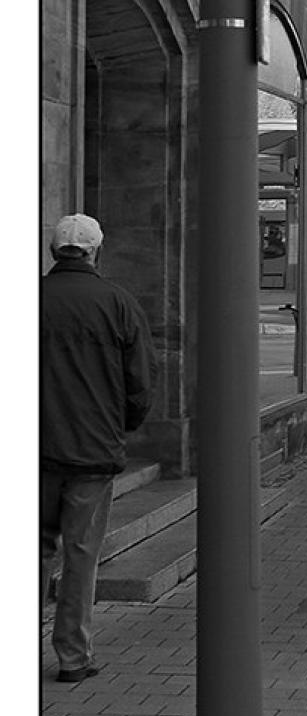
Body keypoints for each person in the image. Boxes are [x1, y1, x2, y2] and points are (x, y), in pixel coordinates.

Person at [41, 214, 156, 683]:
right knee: (82, 556)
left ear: (55, 253)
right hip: (92, 451)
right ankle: (73, 656)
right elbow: (139, 385)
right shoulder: (118, 303)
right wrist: (121, 427)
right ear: (95, 252)